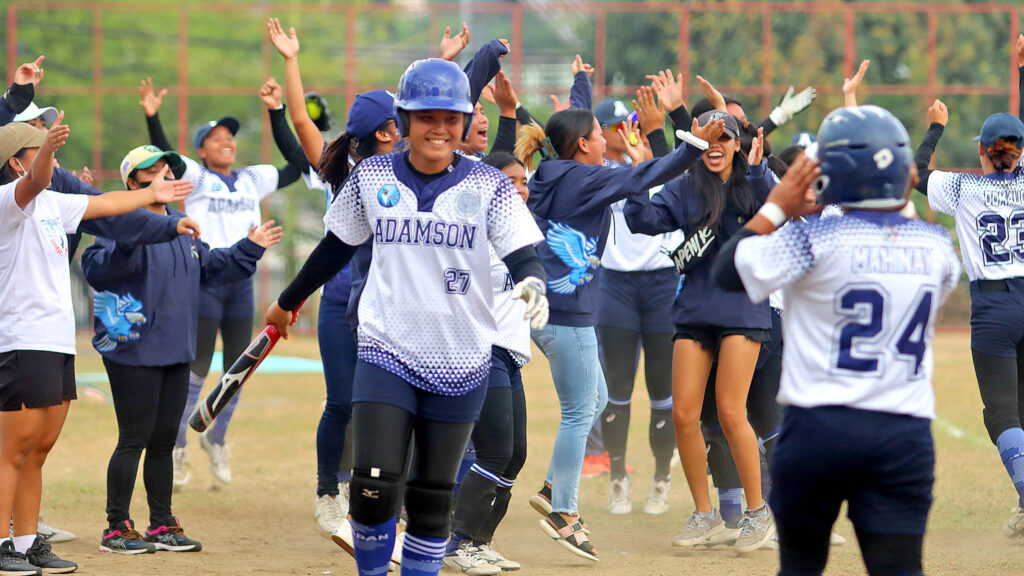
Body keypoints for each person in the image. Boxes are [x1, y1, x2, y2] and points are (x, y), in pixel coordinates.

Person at [264, 58, 547, 576]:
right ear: (404, 120)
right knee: (372, 489)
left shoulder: (490, 185)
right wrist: (287, 301)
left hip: (461, 358)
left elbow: (523, 254)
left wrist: (532, 282)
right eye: (426, 117)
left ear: (464, 121)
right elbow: (335, 248)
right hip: (385, 349)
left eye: (451, 118)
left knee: (432, 497)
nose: (439, 129)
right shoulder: (371, 177)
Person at [713, 104, 960, 576]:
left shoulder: (813, 241)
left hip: (818, 428)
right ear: (903, 173)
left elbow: (727, 272)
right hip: (903, 433)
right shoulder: (936, 247)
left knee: (800, 567)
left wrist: (776, 205)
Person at [517, 67, 722, 560]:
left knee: (598, 399)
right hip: (567, 313)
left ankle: (554, 485)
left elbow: (577, 125)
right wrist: (694, 143)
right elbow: (647, 174)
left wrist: (581, 83)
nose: (603, 141)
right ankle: (565, 513)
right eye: (597, 134)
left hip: (561, 310)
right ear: (583, 146)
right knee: (578, 411)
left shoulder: (555, 170)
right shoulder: (584, 179)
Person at [0, 117, 192, 575]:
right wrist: (47, 151)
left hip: (55, 342)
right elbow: (37, 179)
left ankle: (26, 542)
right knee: (12, 450)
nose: (52, 162)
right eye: (39, 152)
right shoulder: (9, 200)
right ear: (16, 163)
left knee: (38, 450)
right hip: (21, 340)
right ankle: (2, 543)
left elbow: (106, 203)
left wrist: (152, 194)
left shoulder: (52, 203)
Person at [82, 146, 281, 556]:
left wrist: (249, 247)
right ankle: (116, 528)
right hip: (133, 350)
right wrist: (131, 235)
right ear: (132, 183)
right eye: (153, 172)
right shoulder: (116, 222)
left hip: (177, 349)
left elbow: (212, 267)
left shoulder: (183, 227)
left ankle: (161, 524)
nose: (165, 178)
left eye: (169, 172)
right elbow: (97, 269)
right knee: (133, 439)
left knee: (163, 443)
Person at [267, 16, 401, 540]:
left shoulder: (415, 172)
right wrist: (291, 60)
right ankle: (329, 491)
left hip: (390, 305)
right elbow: (300, 117)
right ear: (380, 132)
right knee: (342, 402)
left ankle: (385, 495)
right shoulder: (341, 169)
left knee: (386, 407)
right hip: (341, 298)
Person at [623, 110, 778, 553]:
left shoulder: (754, 181)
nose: (715, 146)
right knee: (683, 414)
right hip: (695, 310)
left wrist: (760, 169)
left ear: (736, 143)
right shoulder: (686, 186)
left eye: (723, 138)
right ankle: (705, 515)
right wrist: (639, 173)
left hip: (742, 309)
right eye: (706, 138)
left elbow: (778, 213)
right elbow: (642, 220)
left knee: (730, 411)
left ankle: (758, 513)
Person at [138, 77, 303, 489]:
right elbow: (167, 156)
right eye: (216, 137)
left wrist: (278, 113)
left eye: (230, 136)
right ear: (201, 150)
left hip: (241, 283)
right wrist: (153, 118)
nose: (226, 141)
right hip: (206, 280)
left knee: (239, 368)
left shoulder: (251, 178)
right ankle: (177, 447)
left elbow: (299, 165)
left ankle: (217, 438)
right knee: (196, 369)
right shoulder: (196, 176)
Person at [912, 46, 1024, 537]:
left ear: (983, 151)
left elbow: (914, 173)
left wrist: (936, 127)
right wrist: (1023, 70)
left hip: (994, 307)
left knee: (1002, 413)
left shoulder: (965, 189)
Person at [443, 152, 534, 575]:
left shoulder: (520, 234)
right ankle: (457, 543)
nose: (519, 189)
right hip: (481, 349)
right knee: (495, 451)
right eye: (509, 181)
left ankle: (480, 540)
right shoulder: (470, 232)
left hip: (510, 352)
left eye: (523, 181)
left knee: (515, 454)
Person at [595, 90, 680, 515]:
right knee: (618, 393)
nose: (624, 133)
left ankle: (661, 479)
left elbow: (683, 164)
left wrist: (651, 143)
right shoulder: (600, 172)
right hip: (616, 286)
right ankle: (618, 479)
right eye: (613, 127)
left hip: (662, 284)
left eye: (629, 124)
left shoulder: (663, 162)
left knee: (662, 391)